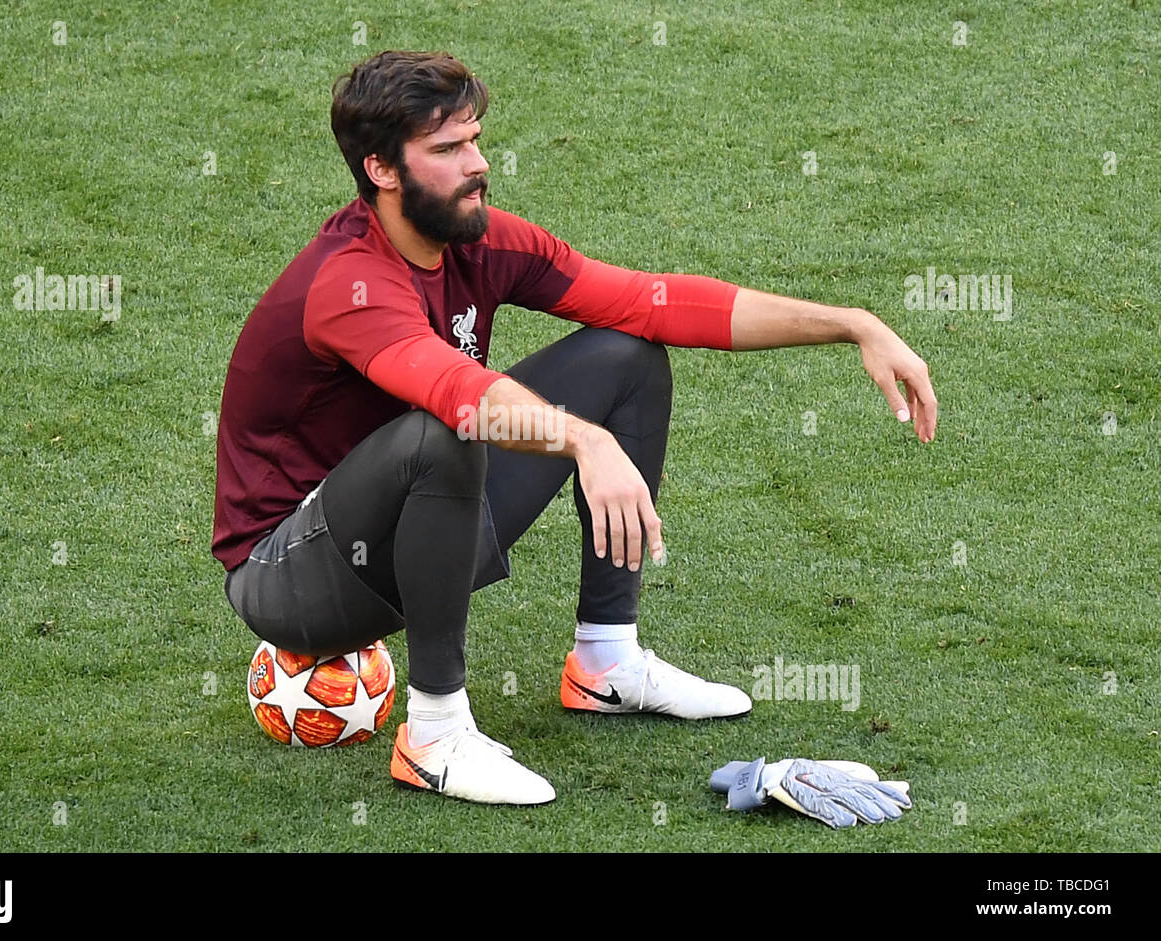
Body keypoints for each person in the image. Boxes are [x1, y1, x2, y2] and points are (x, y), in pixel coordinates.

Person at [212, 50, 938, 806]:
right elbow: (458, 393)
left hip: (413, 518)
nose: (479, 164)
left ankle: (606, 663)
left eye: (476, 139)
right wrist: (586, 440)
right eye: (449, 149)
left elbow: (650, 301)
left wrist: (852, 324)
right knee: (447, 428)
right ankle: (432, 736)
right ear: (381, 170)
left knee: (627, 355)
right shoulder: (348, 284)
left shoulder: (476, 239)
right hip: (289, 575)